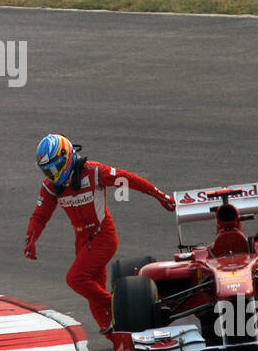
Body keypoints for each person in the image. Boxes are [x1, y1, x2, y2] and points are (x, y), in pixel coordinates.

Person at [24, 135, 175, 336]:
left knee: (75, 279)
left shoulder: (93, 172)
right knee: (93, 298)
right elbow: (40, 216)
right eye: (47, 170)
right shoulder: (51, 186)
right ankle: (121, 345)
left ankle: (127, 306)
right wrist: (31, 239)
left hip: (103, 236)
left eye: (54, 168)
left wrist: (160, 196)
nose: (52, 175)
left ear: (66, 157)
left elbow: (126, 178)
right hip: (82, 241)